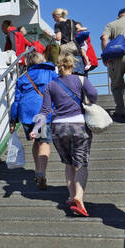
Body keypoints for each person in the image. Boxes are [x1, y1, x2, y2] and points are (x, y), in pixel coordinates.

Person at [44, 53, 100, 216]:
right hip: (78, 125)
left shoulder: (51, 85)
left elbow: (45, 110)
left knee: (68, 164)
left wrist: (36, 128)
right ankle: (79, 197)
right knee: (80, 164)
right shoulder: (81, 80)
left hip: (58, 127)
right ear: (73, 65)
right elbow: (94, 95)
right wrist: (87, 102)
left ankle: (70, 195)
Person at [10, 51, 58, 190]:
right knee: (44, 142)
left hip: (26, 113)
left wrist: (13, 120)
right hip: (43, 111)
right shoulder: (50, 73)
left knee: (36, 141)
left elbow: (16, 101)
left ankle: (37, 171)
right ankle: (41, 173)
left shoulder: (23, 77)